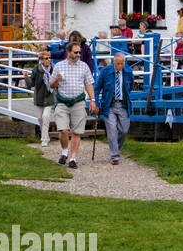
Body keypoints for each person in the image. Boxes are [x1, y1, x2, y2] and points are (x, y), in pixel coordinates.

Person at [49, 41, 97, 169]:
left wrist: (92, 100)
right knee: (63, 130)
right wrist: (56, 79)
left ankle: (73, 158)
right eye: (76, 52)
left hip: (79, 102)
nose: (78, 55)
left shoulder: (84, 66)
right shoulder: (59, 66)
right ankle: (64, 151)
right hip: (62, 102)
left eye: (80, 52)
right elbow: (51, 85)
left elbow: (89, 84)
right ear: (68, 52)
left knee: (77, 131)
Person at [95, 51, 133, 166]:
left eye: (122, 64)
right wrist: (96, 103)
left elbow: (130, 86)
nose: (119, 66)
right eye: (117, 64)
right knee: (112, 131)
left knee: (124, 130)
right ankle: (115, 156)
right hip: (109, 105)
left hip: (123, 104)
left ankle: (115, 147)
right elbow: (97, 89)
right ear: (113, 62)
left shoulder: (128, 71)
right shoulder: (105, 71)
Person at [24, 49, 56, 147]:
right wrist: (26, 77)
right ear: (41, 60)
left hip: (49, 97)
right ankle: (46, 136)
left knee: (46, 117)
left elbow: (56, 82)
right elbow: (31, 84)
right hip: (39, 97)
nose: (49, 60)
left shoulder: (53, 68)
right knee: (40, 118)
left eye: (50, 58)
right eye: (46, 58)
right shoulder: (36, 69)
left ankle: (44, 139)